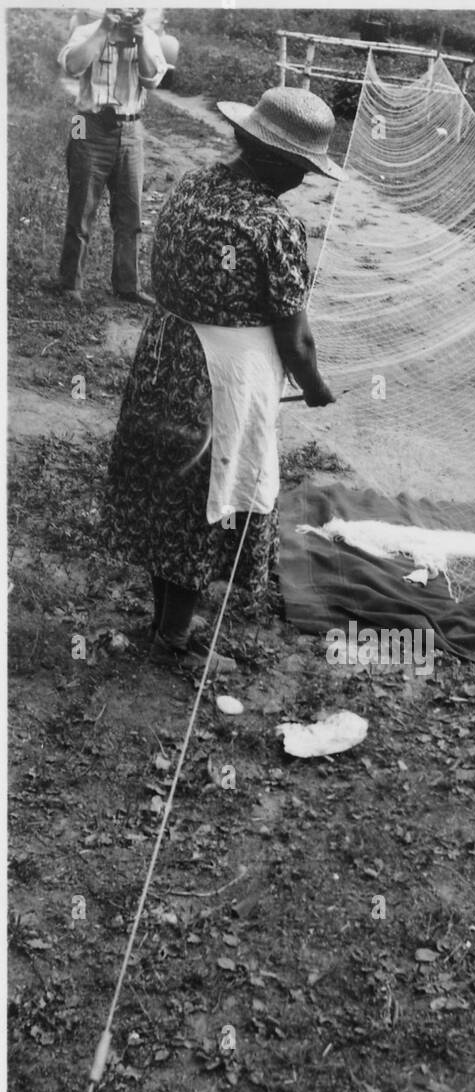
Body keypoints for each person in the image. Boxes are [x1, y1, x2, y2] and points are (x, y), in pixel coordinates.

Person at [101, 86, 342, 674]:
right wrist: (315, 386)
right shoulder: (274, 225)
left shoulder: (191, 186)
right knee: (205, 499)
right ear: (277, 161)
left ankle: (164, 620)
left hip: (166, 354)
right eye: (302, 170)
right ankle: (175, 643)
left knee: (170, 487)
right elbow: (297, 338)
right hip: (223, 377)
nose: (303, 182)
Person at [41, 8, 167, 307]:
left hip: (132, 125)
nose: (125, 15)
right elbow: (72, 67)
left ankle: (127, 285)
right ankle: (69, 281)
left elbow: (151, 80)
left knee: (131, 213)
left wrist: (139, 42)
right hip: (85, 121)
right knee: (81, 203)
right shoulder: (87, 31)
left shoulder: (147, 36)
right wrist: (102, 32)